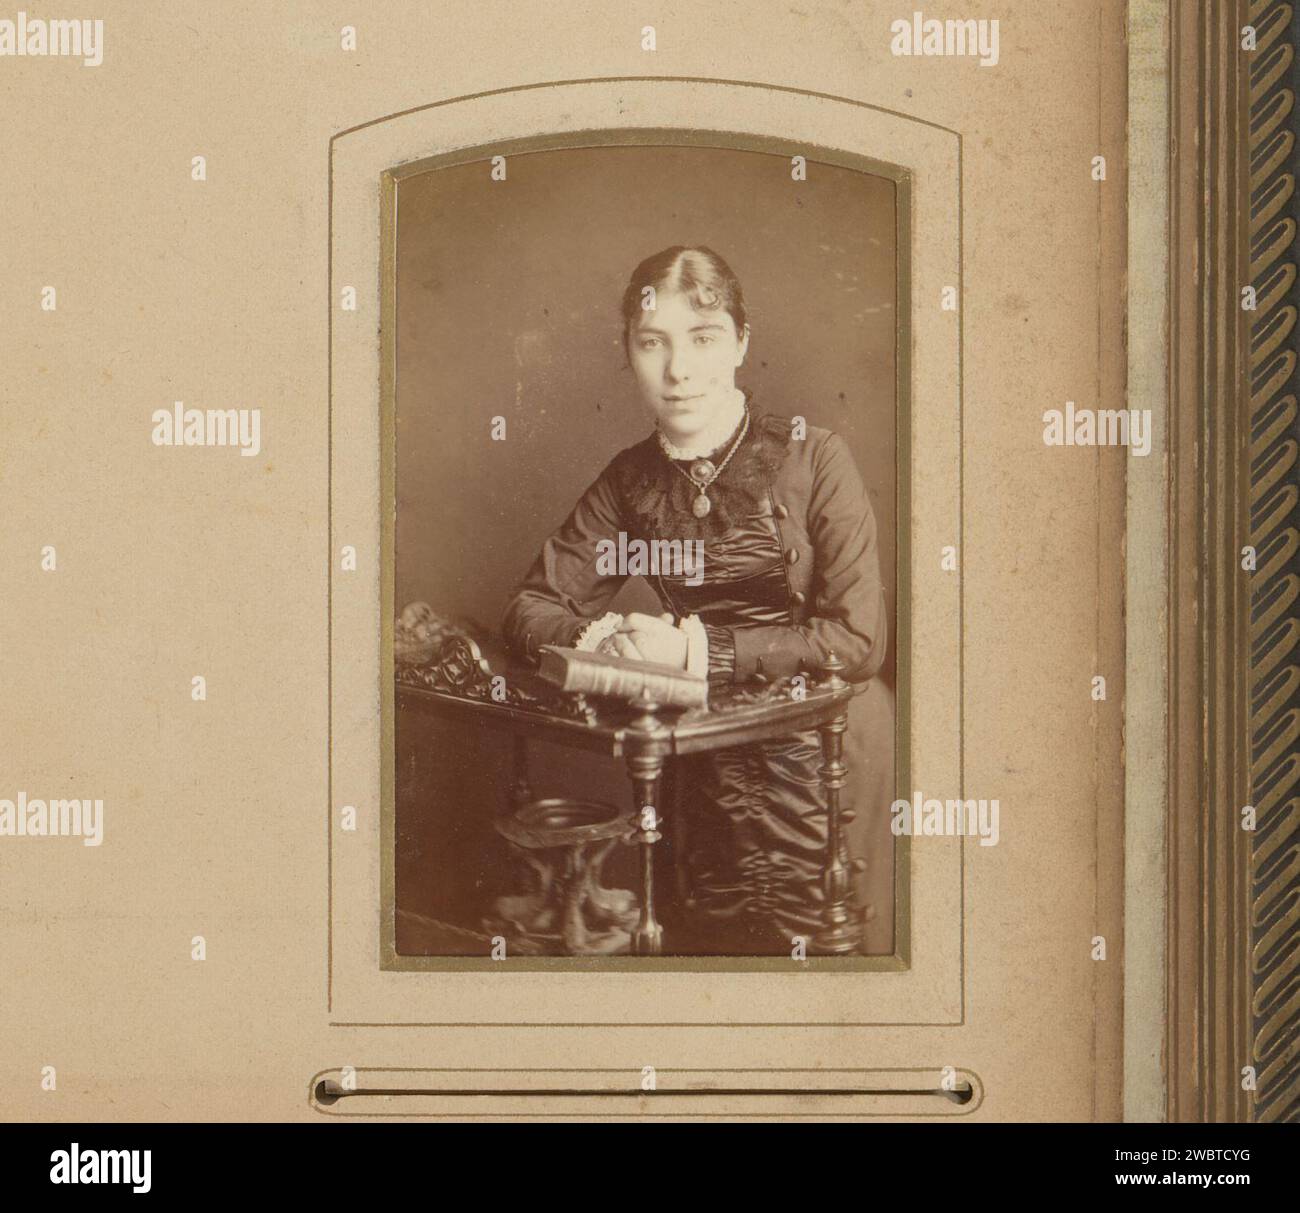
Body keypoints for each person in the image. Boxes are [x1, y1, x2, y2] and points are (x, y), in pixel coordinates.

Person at [501, 245, 893, 955]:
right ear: (628, 352)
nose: (678, 371)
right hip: (702, 758)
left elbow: (859, 640)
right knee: (709, 954)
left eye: (704, 339)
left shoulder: (816, 457)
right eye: (653, 343)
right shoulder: (631, 478)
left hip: (822, 756)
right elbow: (529, 610)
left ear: (741, 342)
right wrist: (611, 638)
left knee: (817, 983)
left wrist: (687, 648)